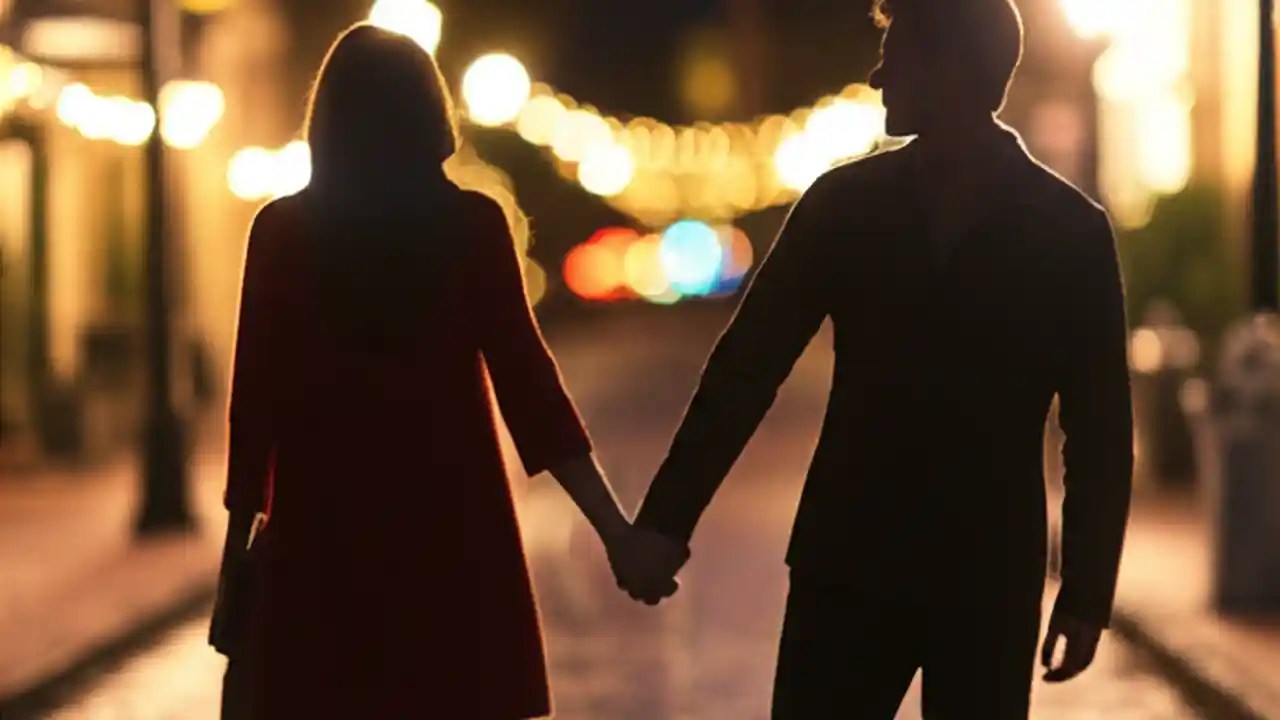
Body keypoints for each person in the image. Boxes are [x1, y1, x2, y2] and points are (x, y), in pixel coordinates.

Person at [624, 0, 1134, 717]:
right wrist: (666, 522)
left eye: (896, 56)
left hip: (968, 578)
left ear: (949, 69)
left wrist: (1086, 596)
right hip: (856, 568)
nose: (876, 75)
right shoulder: (846, 207)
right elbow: (746, 367)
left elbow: (1102, 428)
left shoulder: (1068, 232)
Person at [209, 24, 685, 719]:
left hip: (321, 549)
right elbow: (533, 394)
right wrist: (617, 535)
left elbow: (255, 412)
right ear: (430, 116)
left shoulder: (282, 234)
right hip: (453, 545)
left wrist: (235, 568)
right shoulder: (469, 228)